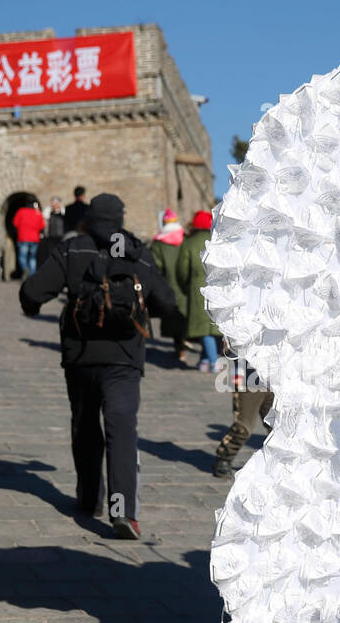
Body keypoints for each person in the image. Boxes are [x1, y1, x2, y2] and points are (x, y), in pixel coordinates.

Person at [18, 193, 178, 539]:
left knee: (85, 424)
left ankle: (89, 498)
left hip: (80, 355)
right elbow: (167, 302)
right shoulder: (137, 250)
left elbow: (33, 292)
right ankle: (123, 511)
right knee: (122, 430)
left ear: (89, 216)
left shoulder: (74, 248)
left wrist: (32, 306)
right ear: (121, 218)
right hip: (124, 356)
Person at [174, 210, 221, 372]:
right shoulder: (218, 242)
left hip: (197, 288)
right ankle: (206, 360)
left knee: (203, 327)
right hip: (219, 286)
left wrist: (186, 286)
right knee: (215, 326)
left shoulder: (189, 243)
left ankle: (213, 361)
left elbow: (181, 270)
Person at [212, 355, 273, 478]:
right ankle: (224, 457)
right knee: (243, 426)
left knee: (278, 428)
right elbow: (233, 348)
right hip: (249, 380)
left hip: (275, 381)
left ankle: (280, 463)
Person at [149, 208, 188, 364]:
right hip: (185, 285)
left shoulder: (159, 243)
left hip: (168, 285)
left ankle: (179, 348)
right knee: (185, 314)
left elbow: (155, 266)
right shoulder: (185, 238)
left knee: (172, 317)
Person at [12, 200, 45, 277]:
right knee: (32, 257)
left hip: (23, 238)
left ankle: (25, 268)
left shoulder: (21, 211)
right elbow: (42, 226)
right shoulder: (38, 213)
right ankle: (32, 275)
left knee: (22, 256)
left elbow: (15, 224)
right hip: (35, 239)